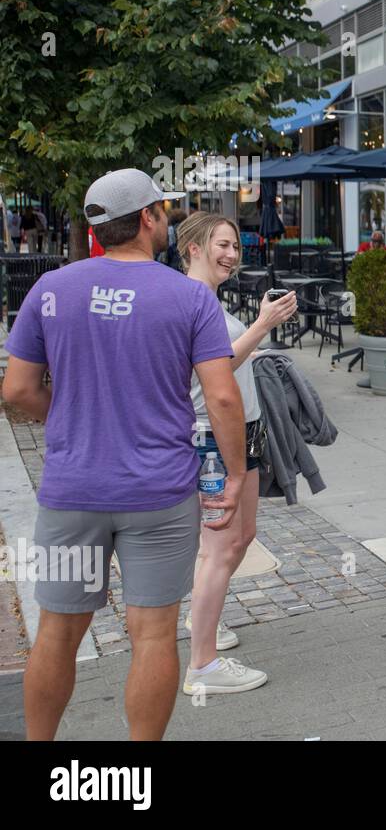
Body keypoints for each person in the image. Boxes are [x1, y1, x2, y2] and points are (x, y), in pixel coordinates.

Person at [2, 168, 247, 740]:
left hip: (72, 491)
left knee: (58, 632)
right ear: (146, 218)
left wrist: (65, 418)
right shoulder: (188, 295)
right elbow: (222, 396)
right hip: (158, 494)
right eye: (162, 211)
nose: (165, 219)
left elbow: (16, 389)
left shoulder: (52, 287)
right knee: (155, 634)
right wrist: (233, 476)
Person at [176, 212, 298, 695]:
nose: (231, 254)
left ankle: (202, 621)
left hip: (242, 429)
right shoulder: (189, 299)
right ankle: (201, 665)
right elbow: (216, 368)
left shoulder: (206, 298)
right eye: (222, 245)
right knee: (221, 544)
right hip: (212, 435)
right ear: (193, 248)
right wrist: (263, 325)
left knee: (241, 536)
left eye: (235, 247)